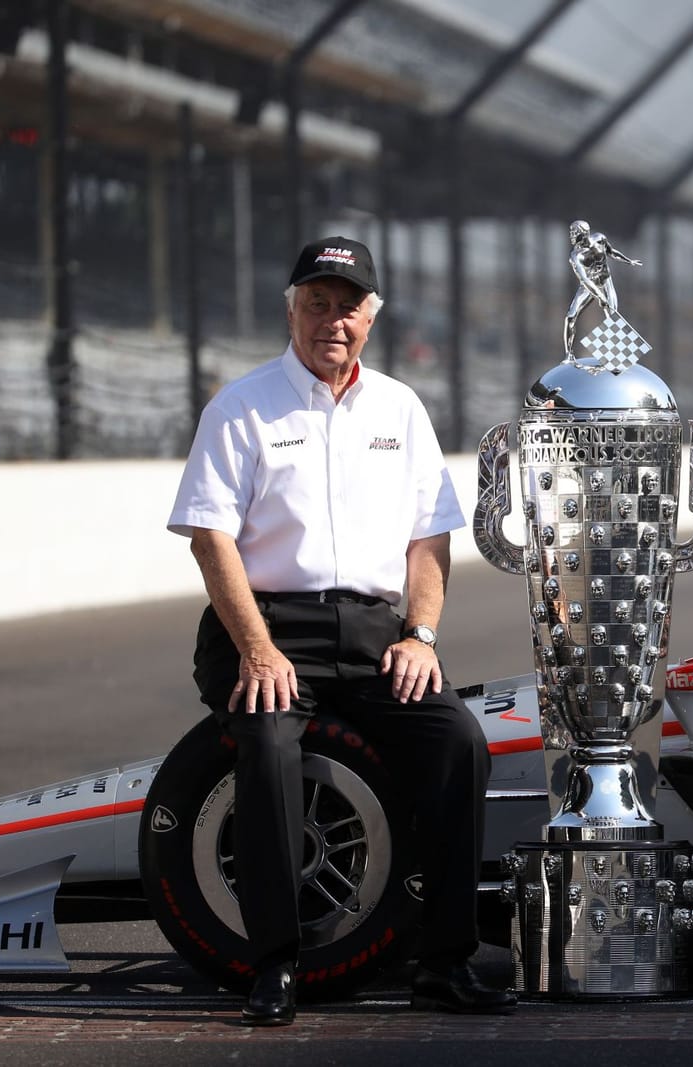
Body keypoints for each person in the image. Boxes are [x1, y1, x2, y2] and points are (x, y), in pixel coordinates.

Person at [167, 236, 516, 1025]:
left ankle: (445, 961)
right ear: (291, 311)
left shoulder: (401, 408)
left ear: (371, 318)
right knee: (269, 744)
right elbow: (211, 540)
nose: (333, 319)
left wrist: (420, 634)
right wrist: (258, 650)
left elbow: (429, 539)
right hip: (264, 627)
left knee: (458, 741)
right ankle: (274, 962)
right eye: (317, 303)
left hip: (372, 633)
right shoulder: (241, 405)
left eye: (348, 306)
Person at [562, 219, 642, 359]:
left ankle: (617, 355)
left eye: (574, 232)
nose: (571, 236)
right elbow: (585, 280)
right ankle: (569, 355)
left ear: (583, 233)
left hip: (605, 281)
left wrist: (629, 261)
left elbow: (611, 252)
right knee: (570, 317)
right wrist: (600, 296)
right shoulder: (576, 256)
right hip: (588, 286)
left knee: (612, 316)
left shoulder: (599, 238)